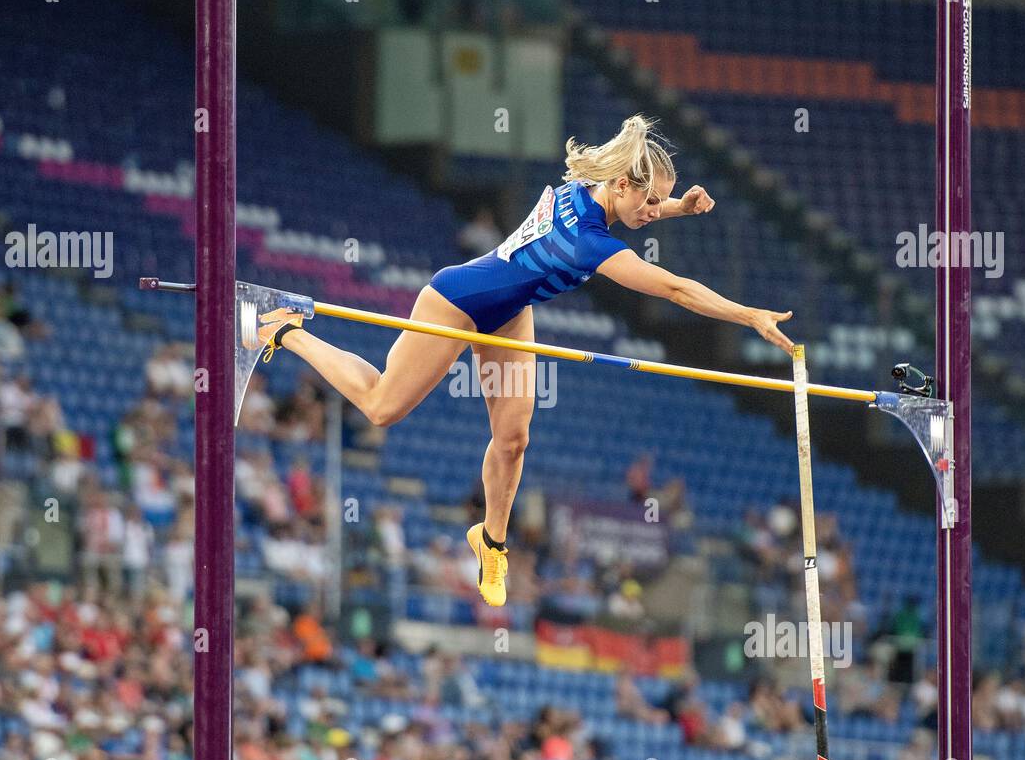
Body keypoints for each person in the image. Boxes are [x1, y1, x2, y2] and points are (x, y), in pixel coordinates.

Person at [253, 115, 795, 608]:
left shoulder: (595, 188)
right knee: (380, 406)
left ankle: (490, 541)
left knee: (513, 440)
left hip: (510, 314)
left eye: (660, 206)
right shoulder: (588, 241)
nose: (654, 215)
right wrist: (749, 316)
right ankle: (289, 331)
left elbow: (634, 205)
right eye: (651, 203)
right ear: (623, 186)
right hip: (458, 302)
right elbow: (676, 290)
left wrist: (679, 206)